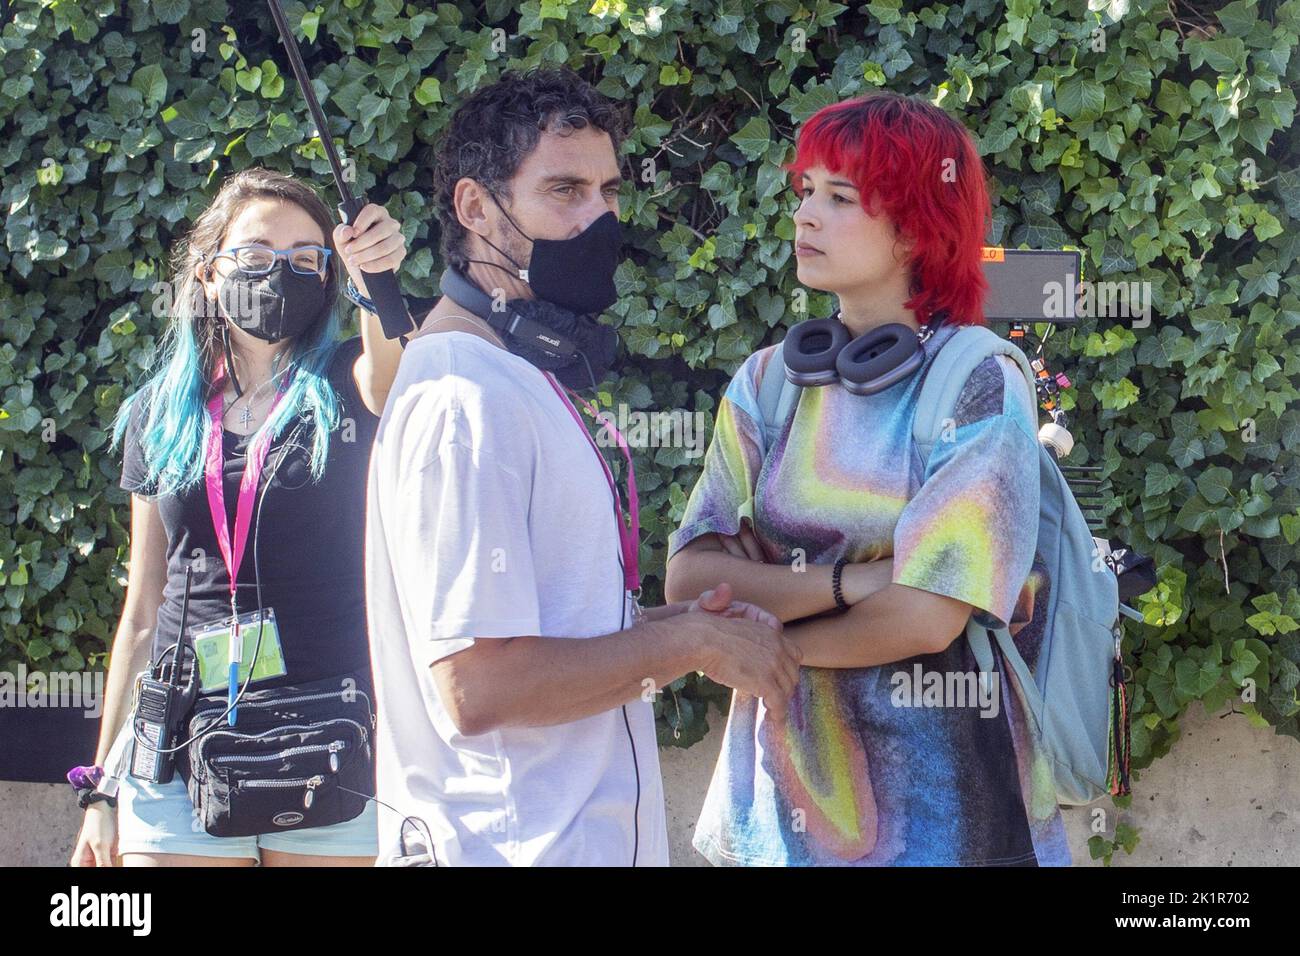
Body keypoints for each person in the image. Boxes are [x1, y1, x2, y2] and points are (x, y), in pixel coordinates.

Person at [364, 68, 801, 867]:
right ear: (474, 207)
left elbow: (550, 639)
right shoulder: (465, 399)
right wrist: (689, 642)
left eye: (609, 191)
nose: (598, 217)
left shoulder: (509, 377)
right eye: (564, 190)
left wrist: (688, 630)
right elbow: (479, 686)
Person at [664, 91, 1071, 867]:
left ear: (916, 227)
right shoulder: (767, 384)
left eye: (840, 197)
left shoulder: (978, 382)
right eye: (805, 191)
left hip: (945, 814)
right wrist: (858, 583)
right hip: (778, 815)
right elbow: (690, 579)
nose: (805, 215)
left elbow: (925, 620)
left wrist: (758, 637)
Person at [70, 167, 408, 867]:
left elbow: (394, 380)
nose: (279, 273)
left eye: (305, 259)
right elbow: (143, 609)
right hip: (177, 742)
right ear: (206, 271)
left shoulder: (350, 381)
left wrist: (376, 280)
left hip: (329, 733)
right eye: (255, 255)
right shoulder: (160, 413)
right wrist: (102, 786)